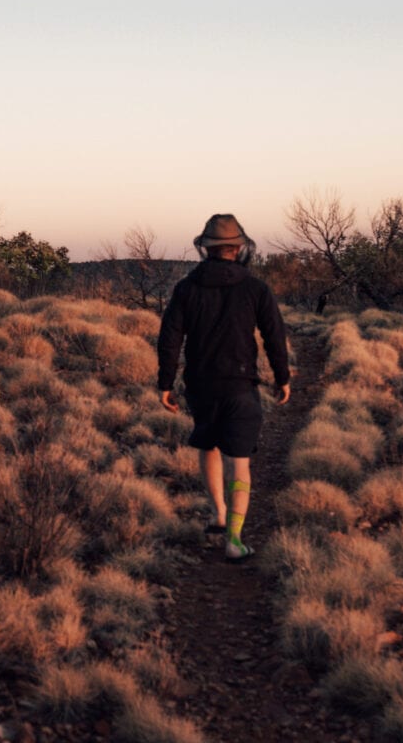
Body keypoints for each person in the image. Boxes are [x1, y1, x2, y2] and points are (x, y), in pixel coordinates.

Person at [157, 214, 291, 561]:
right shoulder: (255, 288)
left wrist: (165, 383)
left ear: (207, 248)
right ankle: (234, 538)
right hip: (241, 385)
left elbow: (170, 338)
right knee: (240, 461)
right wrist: (282, 377)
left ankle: (218, 513)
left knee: (210, 447)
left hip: (202, 386)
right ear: (239, 247)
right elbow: (274, 335)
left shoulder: (186, 288)